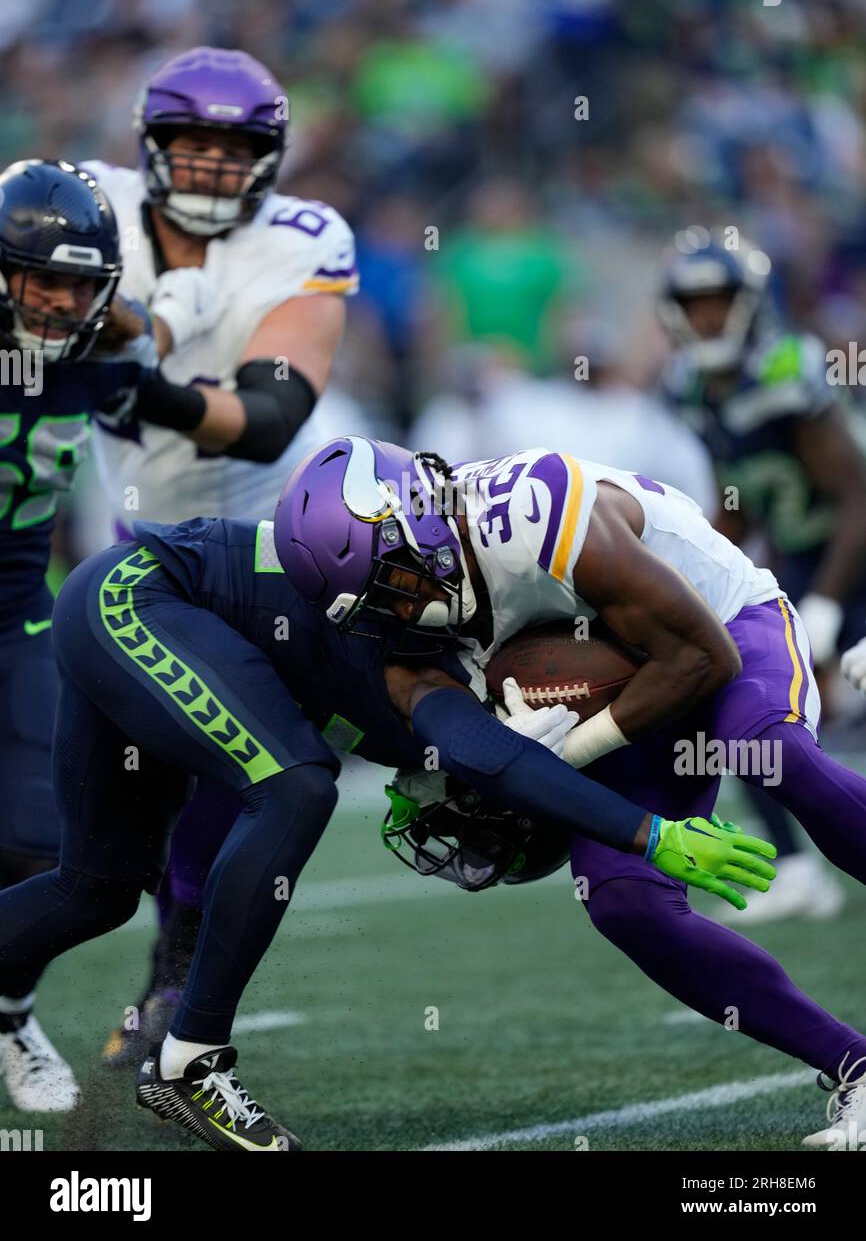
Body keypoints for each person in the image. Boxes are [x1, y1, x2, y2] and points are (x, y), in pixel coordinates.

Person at [0, 514, 768, 1151]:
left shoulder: (465, 685)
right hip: (136, 596)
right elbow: (495, 757)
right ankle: (189, 1064)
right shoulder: (450, 676)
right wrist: (651, 836)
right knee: (296, 784)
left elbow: (498, 759)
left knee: (94, 888)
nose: (460, 832)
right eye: (487, 826)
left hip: (130, 609)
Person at [274, 435, 866, 1147]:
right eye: (375, 606)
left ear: (422, 516)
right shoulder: (394, 631)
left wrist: (570, 750)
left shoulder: (533, 514)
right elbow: (471, 740)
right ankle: (853, 1064)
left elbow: (704, 657)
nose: (398, 614)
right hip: (628, 689)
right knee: (623, 899)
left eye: (396, 583)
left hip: (724, 624)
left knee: (770, 751)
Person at [83, 45, 364, 1060]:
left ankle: (182, 969)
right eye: (188, 141)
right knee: (128, 779)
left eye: (230, 145)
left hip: (259, 546)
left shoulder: (299, 242)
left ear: (269, 158)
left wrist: (140, 386)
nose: (206, 162)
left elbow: (266, 419)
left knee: (244, 766)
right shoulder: (85, 204)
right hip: (119, 525)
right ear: (150, 146)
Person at [0, 158, 155, 1111]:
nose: (59, 303)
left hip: (18, 607)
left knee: (58, 845)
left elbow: (151, 337)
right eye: (40, 278)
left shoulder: (101, 352)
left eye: (78, 285)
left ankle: (11, 1011)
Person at [659, 228, 861, 921]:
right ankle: (799, 869)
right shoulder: (688, 384)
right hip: (804, 561)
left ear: (750, 303)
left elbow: (857, 494)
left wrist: (830, 603)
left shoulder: (786, 367)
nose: (708, 317)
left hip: (850, 553)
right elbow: (739, 503)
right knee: (738, 704)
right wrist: (690, 573)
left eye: (719, 301)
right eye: (695, 303)